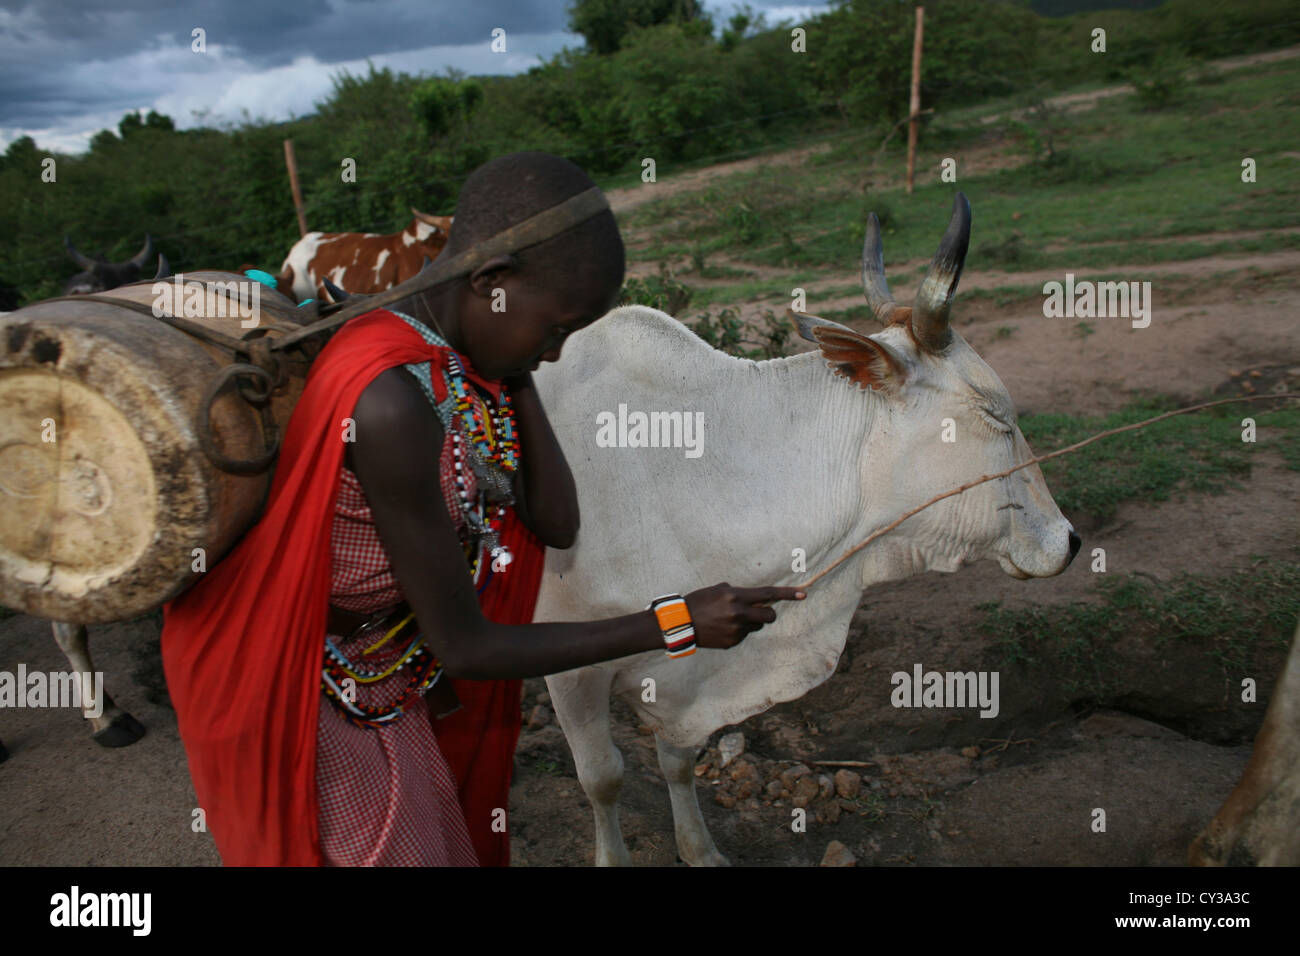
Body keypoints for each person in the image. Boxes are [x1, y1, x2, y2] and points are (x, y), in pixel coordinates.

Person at [161, 151, 804, 867]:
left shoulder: (456, 359)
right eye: (557, 329)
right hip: (306, 699)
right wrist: (675, 621)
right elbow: (467, 646)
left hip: (377, 678)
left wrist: (518, 366)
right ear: (491, 282)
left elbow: (556, 522)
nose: (557, 354)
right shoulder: (394, 403)